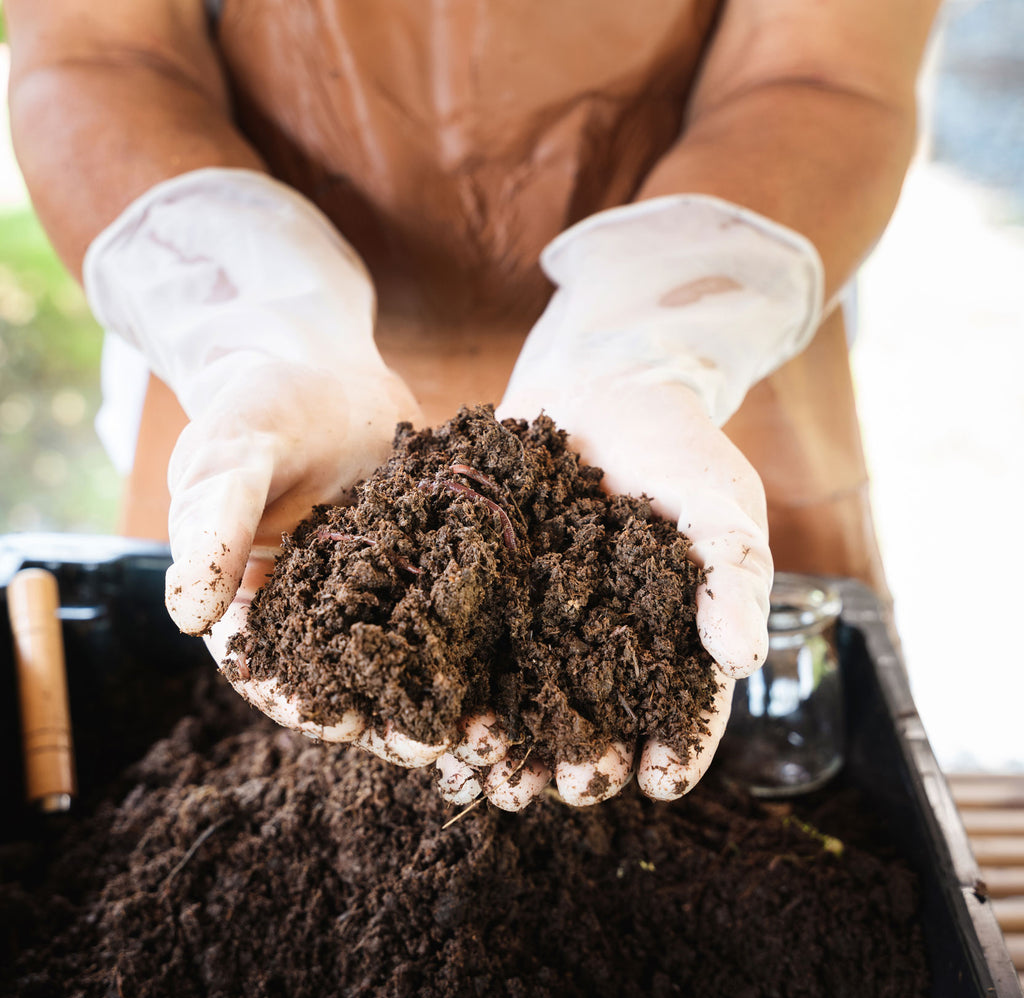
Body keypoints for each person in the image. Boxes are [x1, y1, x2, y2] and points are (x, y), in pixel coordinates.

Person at [5, 0, 939, 810]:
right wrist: (258, 327)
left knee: (776, 744)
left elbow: (824, 73)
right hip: (267, 369)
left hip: (690, 352)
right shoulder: (271, 372)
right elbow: (102, 52)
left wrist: (647, 343)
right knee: (211, 709)